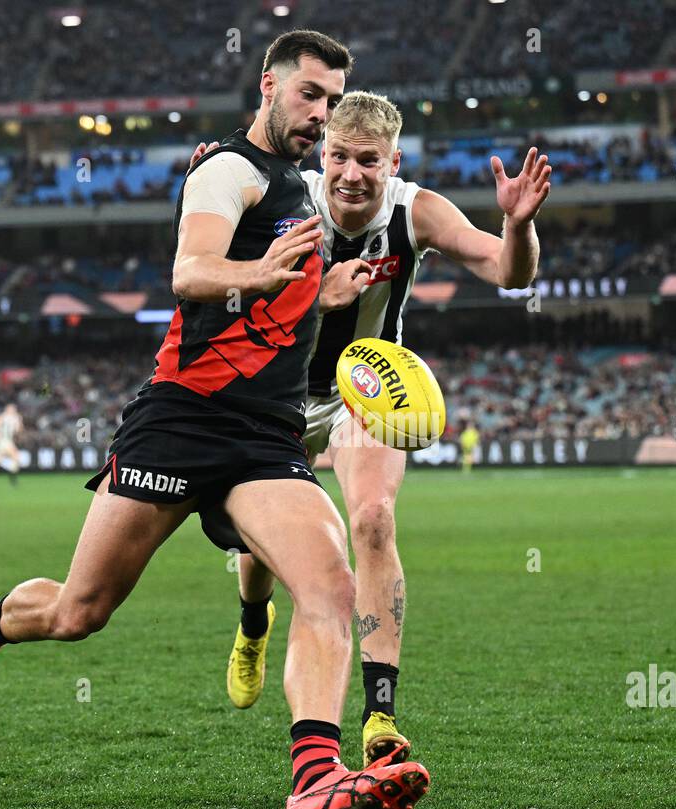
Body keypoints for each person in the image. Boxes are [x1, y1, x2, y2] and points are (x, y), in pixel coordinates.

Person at [0, 31, 428, 809]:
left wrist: (321, 294)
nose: (322, 112)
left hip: (263, 437)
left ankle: (315, 782)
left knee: (331, 584)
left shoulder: (301, 196)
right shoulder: (227, 170)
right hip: (183, 422)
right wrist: (263, 273)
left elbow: (275, 312)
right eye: (310, 94)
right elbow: (193, 271)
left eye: (334, 99)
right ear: (268, 85)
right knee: (78, 612)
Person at [213, 90, 551, 767]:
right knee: (262, 560)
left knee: (371, 520)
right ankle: (254, 623)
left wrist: (517, 226)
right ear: (323, 154)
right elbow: (221, 289)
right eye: (340, 156)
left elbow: (508, 271)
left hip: (365, 391)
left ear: (392, 162)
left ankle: (379, 717)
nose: (351, 174)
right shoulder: (283, 201)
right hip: (275, 393)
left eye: (369, 161)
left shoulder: (415, 210)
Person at [0, 402, 24, 486]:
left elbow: (19, 431)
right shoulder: (2, 417)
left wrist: (19, 421)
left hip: (8, 441)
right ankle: (13, 477)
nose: (13, 411)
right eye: (12, 409)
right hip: (3, 441)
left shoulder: (15, 419)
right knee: (16, 456)